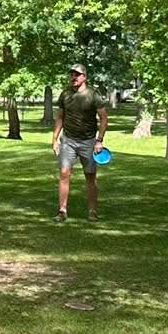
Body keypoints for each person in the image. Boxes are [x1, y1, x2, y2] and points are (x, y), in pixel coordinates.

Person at [51, 62, 107, 223]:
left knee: (90, 176)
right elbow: (60, 117)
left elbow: (104, 118)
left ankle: (92, 211)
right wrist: (55, 139)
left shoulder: (93, 95)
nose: (73, 77)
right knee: (64, 173)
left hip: (88, 141)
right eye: (72, 74)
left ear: (84, 77)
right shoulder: (65, 94)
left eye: (77, 74)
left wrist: (99, 140)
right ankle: (62, 211)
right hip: (68, 140)